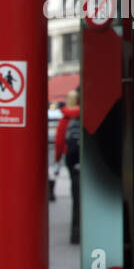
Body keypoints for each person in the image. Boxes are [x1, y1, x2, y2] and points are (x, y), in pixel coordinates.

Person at [55, 88, 82, 244]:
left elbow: (59, 141)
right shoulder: (84, 115)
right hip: (83, 158)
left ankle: (75, 233)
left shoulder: (65, 117)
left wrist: (58, 158)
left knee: (75, 193)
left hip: (71, 158)